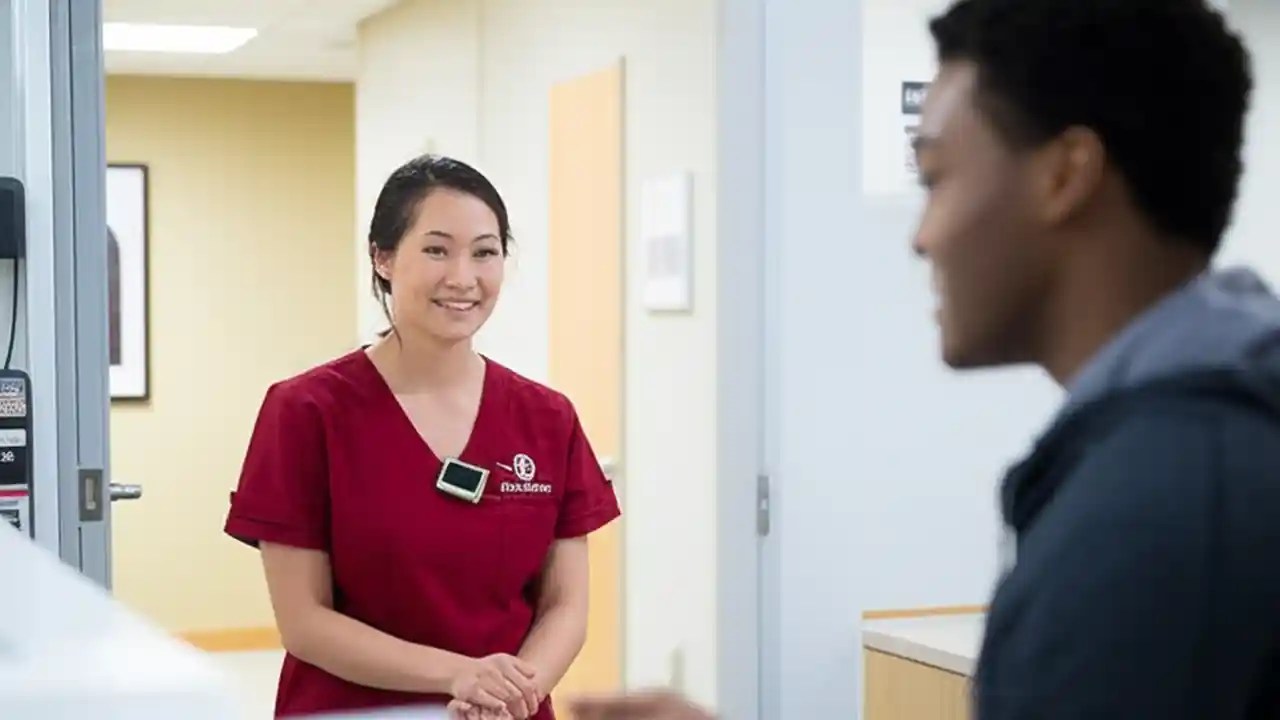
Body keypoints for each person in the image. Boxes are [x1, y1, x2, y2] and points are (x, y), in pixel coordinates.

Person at [572, 0, 1280, 718]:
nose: (921, 237)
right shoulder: (1198, 446)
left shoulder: (1161, 512)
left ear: (1065, 176)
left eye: (936, 177)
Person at [224, 154, 621, 720]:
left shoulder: (547, 417)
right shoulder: (307, 411)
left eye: (485, 252)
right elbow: (304, 622)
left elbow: (566, 606)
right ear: (382, 258)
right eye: (437, 249)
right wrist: (461, 675)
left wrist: (509, 696)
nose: (463, 277)